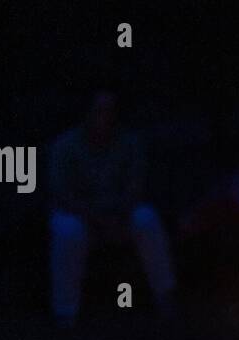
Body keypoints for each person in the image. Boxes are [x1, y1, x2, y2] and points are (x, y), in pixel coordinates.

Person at [48, 89, 176, 323]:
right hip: (80, 216)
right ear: (86, 113)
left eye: (110, 111)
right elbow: (62, 194)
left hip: (119, 215)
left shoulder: (129, 143)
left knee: (146, 218)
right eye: (99, 111)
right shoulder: (65, 146)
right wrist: (95, 218)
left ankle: (164, 294)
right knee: (68, 231)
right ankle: (65, 311)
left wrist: (117, 215)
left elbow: (135, 187)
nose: (105, 117)